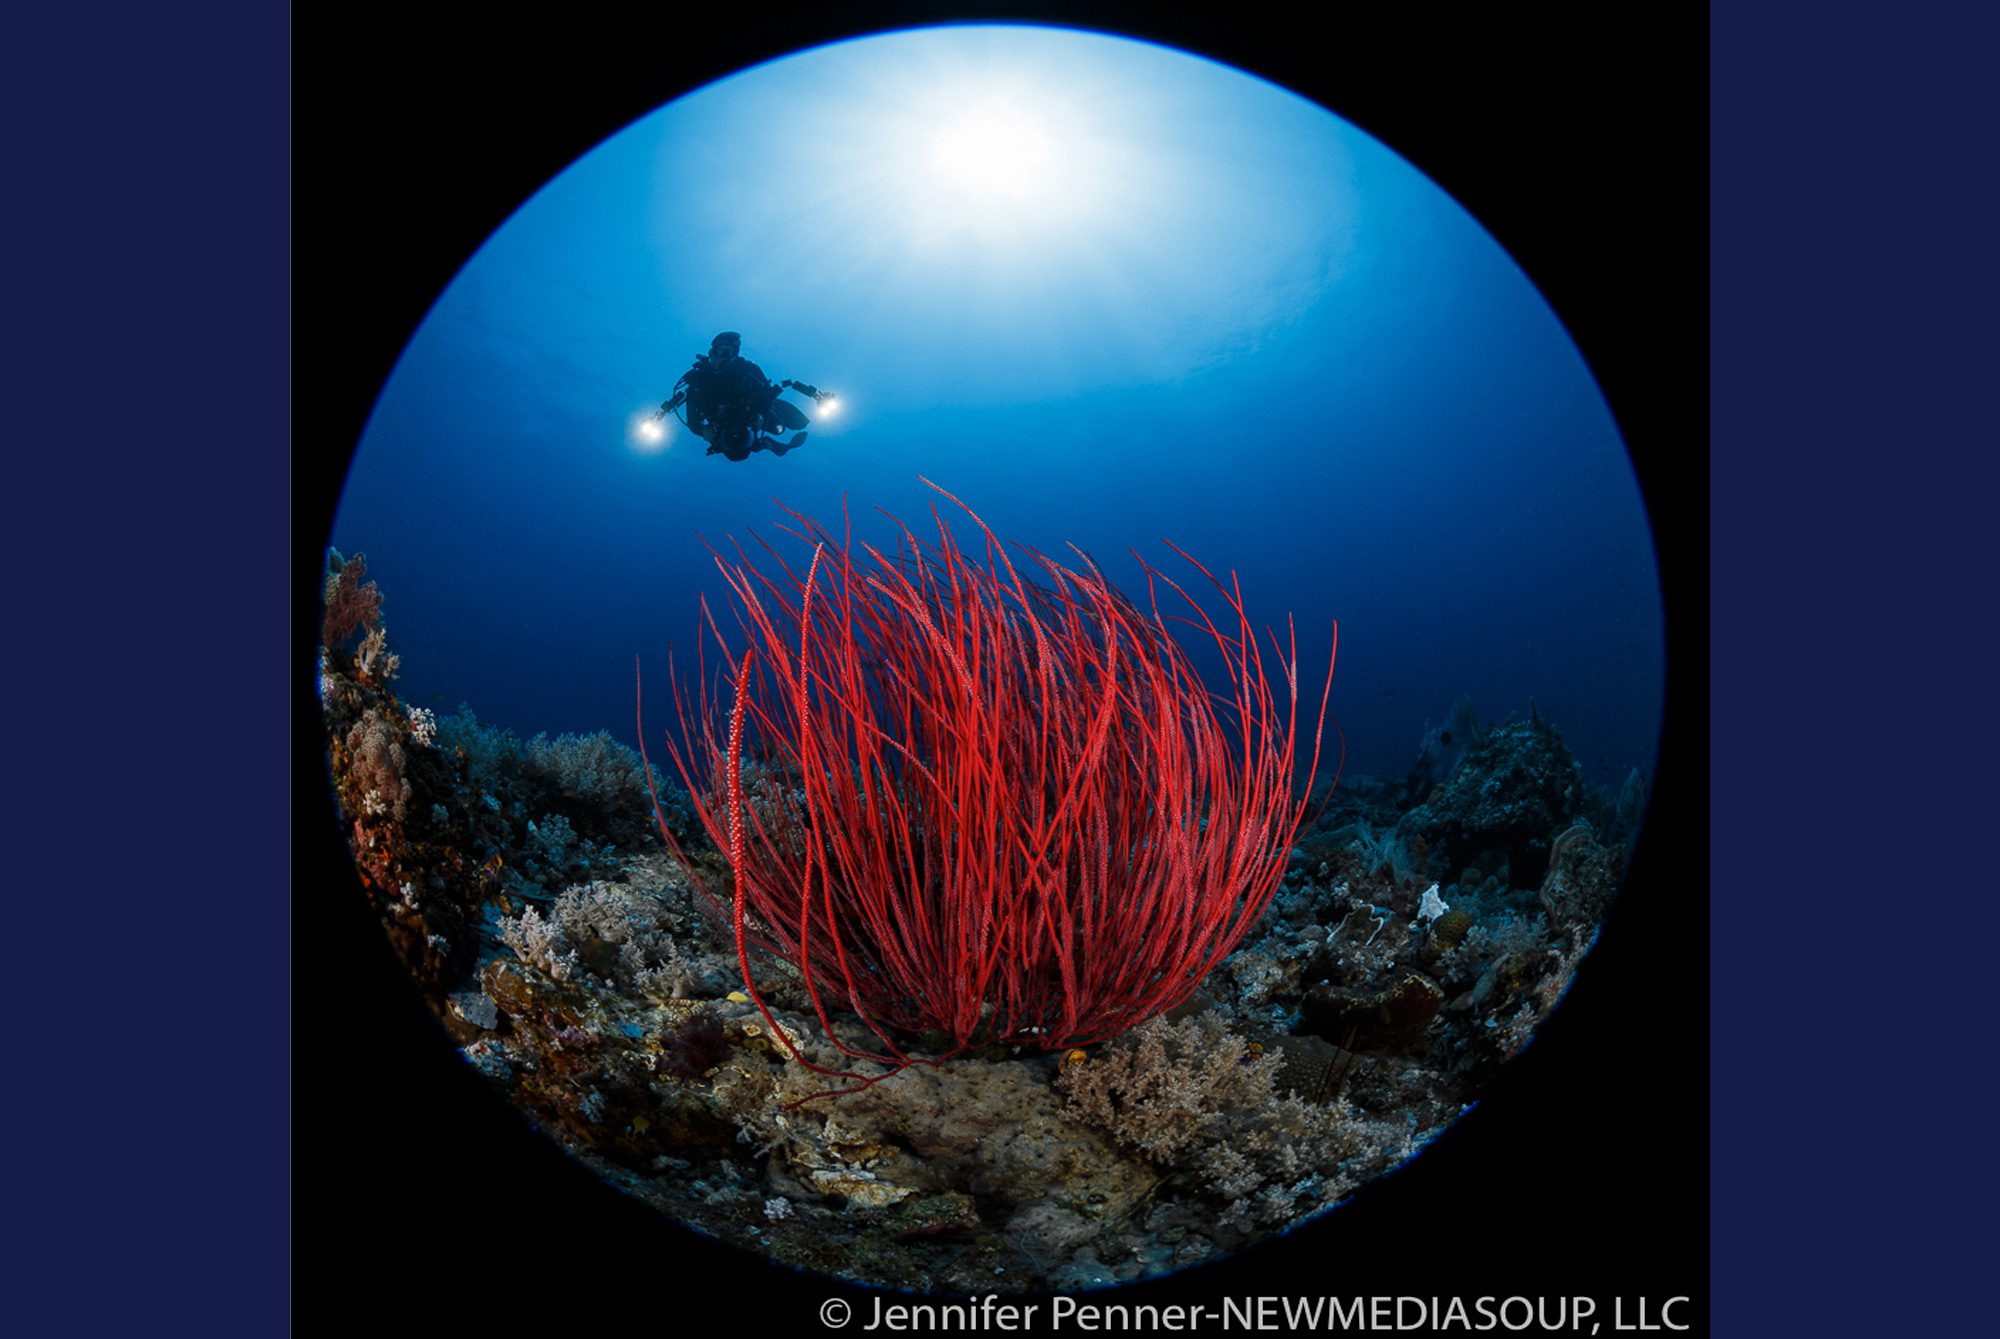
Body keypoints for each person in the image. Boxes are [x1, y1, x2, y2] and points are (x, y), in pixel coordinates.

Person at [656, 331, 828, 461]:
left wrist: (760, 415)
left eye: (733, 352)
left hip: (751, 416)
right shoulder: (699, 380)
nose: (727, 357)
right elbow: (693, 420)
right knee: (774, 430)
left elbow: (766, 396)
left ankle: (764, 442)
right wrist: (702, 431)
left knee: (795, 423)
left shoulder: (748, 371)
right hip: (721, 429)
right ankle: (763, 444)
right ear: (712, 353)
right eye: (723, 351)